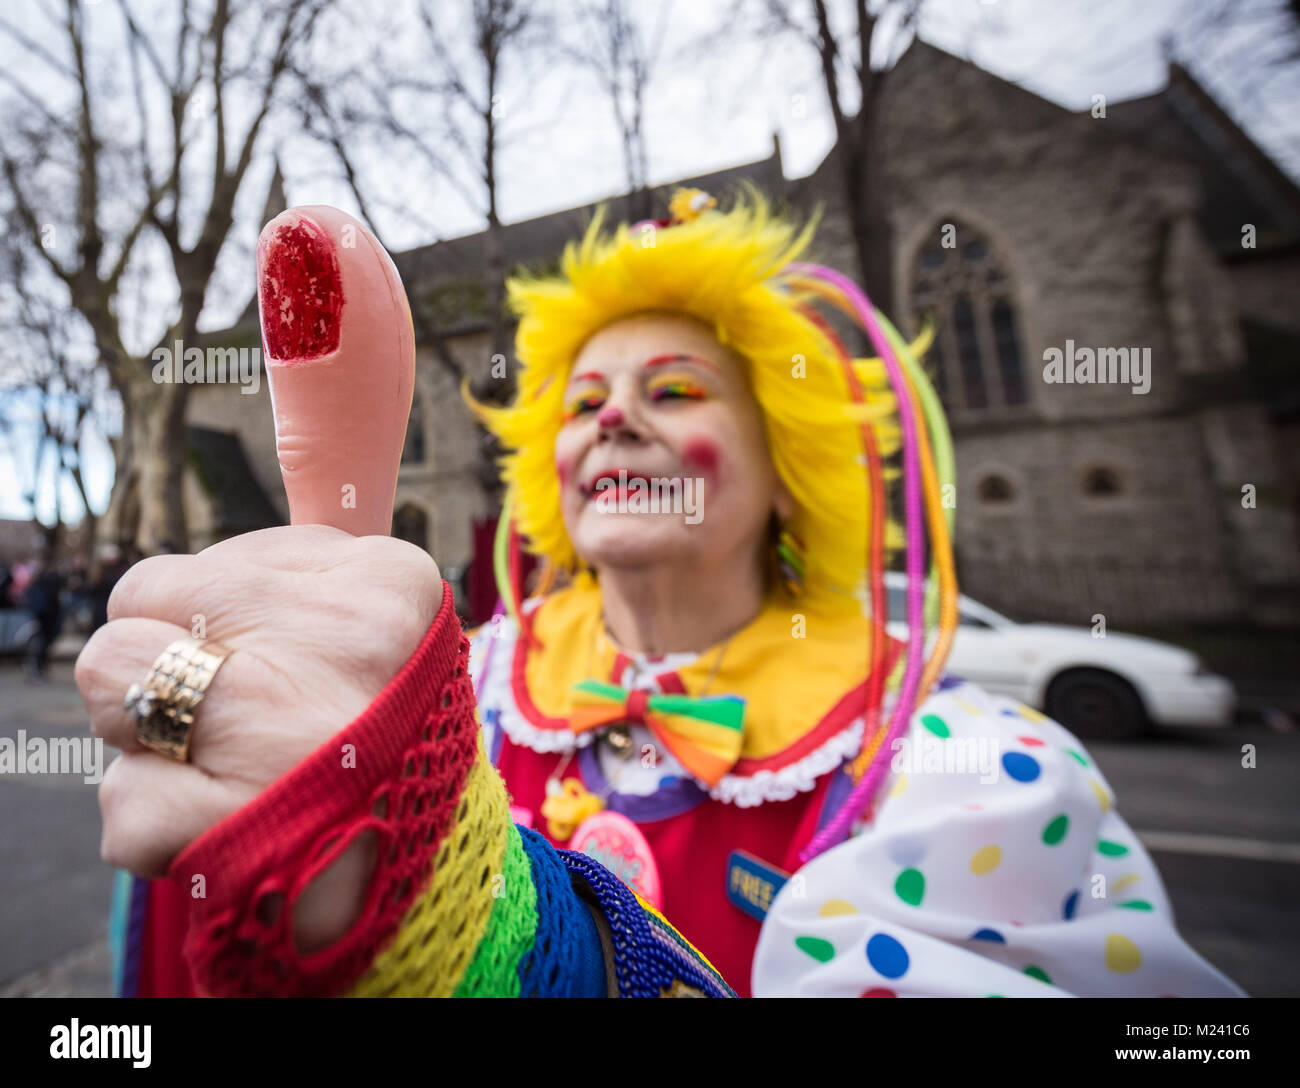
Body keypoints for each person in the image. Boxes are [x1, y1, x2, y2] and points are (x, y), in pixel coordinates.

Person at [93, 189, 1244, 999]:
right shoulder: (455, 680)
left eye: (676, 385)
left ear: (789, 457)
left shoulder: (960, 765)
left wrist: (480, 947)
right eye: (581, 397)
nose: (612, 416)